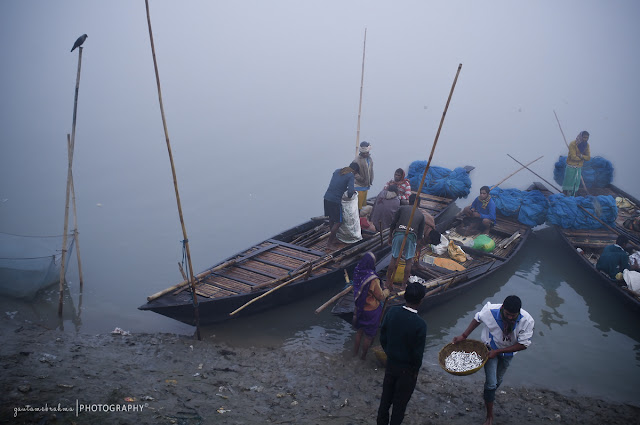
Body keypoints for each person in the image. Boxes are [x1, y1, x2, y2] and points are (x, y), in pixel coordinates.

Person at [452, 295, 534, 425]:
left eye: (513, 315)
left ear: (519, 312)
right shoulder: (490, 310)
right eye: (507, 314)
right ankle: (489, 415)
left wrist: (499, 352)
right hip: (489, 350)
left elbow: (523, 345)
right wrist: (464, 335)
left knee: (497, 382)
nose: (510, 318)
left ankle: (488, 396)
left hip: (507, 354)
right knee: (491, 383)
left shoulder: (527, 321)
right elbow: (477, 318)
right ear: (502, 308)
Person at [376, 281, 427, 425]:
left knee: (385, 401)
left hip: (391, 364)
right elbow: (417, 354)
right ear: (421, 301)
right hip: (407, 371)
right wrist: (415, 371)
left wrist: (390, 353)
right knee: (399, 406)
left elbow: (383, 336)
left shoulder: (392, 312)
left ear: (405, 296)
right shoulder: (420, 325)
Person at [385, 194, 438, 289]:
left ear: (409, 201)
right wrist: (414, 246)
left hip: (398, 233)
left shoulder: (401, 208)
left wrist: (390, 236)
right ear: (419, 203)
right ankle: (403, 285)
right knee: (408, 262)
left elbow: (393, 224)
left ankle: (387, 283)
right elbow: (419, 237)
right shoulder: (421, 215)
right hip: (411, 236)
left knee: (394, 258)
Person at [352, 252, 389, 360]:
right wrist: (387, 291)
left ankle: (354, 353)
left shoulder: (358, 271)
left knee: (359, 332)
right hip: (371, 310)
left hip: (359, 308)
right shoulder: (373, 279)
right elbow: (380, 296)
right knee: (369, 336)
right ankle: (363, 357)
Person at [324, 162, 359, 248]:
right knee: (339, 222)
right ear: (354, 171)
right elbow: (350, 192)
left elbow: (337, 184)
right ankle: (329, 243)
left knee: (332, 219)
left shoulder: (337, 171)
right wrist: (351, 194)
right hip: (335, 201)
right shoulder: (350, 175)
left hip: (326, 198)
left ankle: (334, 238)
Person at [562, 130, 591, 196]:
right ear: (581, 137)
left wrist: (581, 156)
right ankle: (566, 196)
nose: (585, 139)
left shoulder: (587, 145)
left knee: (576, 184)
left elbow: (588, 157)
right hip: (571, 167)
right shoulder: (573, 144)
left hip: (579, 168)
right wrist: (583, 158)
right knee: (569, 183)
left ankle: (573, 197)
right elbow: (573, 157)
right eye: (584, 137)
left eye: (587, 138)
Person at [354, 141, 374, 210]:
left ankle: (362, 219)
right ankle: (358, 219)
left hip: (366, 185)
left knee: (363, 205)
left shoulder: (369, 159)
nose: (366, 154)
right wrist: (361, 179)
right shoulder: (357, 160)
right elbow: (353, 172)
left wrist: (370, 179)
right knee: (358, 207)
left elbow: (370, 170)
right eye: (364, 153)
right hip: (359, 187)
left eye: (367, 152)